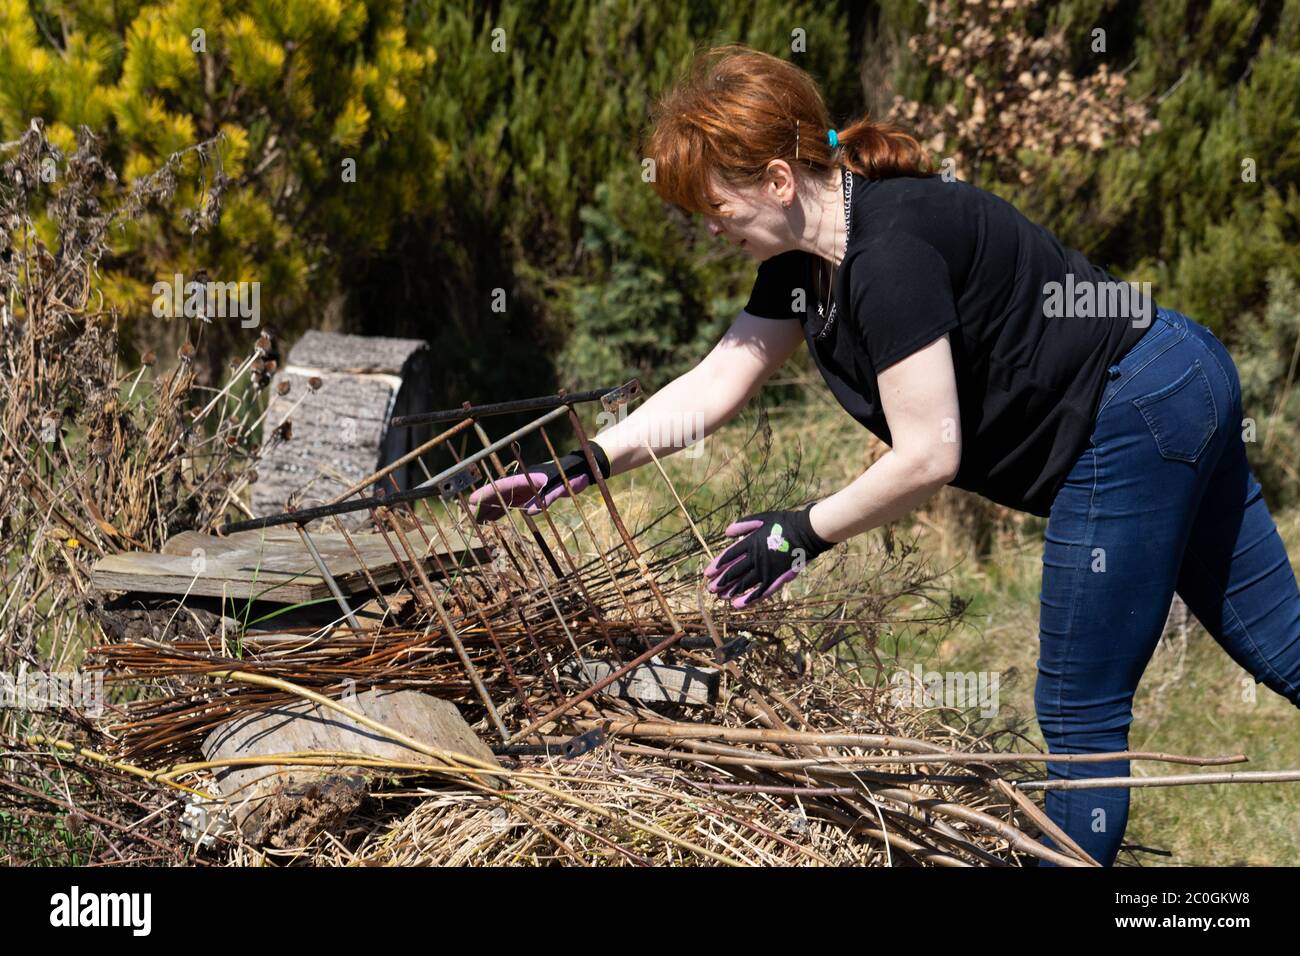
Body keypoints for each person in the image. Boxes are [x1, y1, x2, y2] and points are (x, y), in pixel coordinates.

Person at [468, 44, 1300, 866]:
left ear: (778, 181)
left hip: (1135, 410)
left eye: (714, 203)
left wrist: (800, 532)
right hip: (1179, 375)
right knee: (1282, 646)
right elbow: (718, 380)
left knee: (1079, 711)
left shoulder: (888, 256)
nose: (707, 225)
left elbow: (928, 456)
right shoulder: (807, 265)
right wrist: (576, 467)